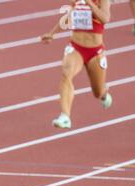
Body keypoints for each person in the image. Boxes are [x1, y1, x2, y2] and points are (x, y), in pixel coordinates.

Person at [41, 0, 112, 129]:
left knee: (97, 92)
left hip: (95, 52)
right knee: (66, 74)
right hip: (76, 48)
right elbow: (70, 15)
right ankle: (65, 116)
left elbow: (105, 18)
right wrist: (52, 33)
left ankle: (104, 93)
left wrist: (90, 4)